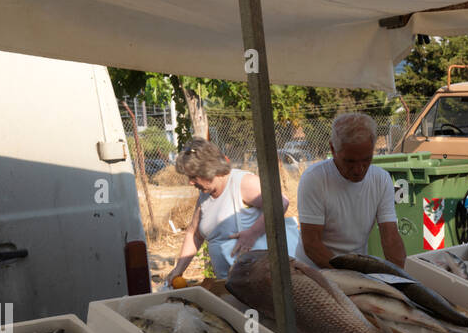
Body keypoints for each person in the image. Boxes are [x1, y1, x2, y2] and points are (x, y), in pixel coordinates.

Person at [166, 139, 297, 283]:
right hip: (230, 282)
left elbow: (280, 202)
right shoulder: (205, 194)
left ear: (208, 169)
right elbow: (194, 234)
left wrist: (253, 233)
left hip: (261, 280)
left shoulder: (241, 182)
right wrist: (178, 270)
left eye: (193, 177)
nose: (190, 182)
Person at [295, 112, 405, 269]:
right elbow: (312, 244)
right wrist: (352, 277)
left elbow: (391, 238)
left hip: (355, 268)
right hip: (314, 270)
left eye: (366, 159)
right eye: (350, 161)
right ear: (333, 149)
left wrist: (400, 278)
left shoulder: (381, 179)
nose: (358, 170)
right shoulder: (315, 179)